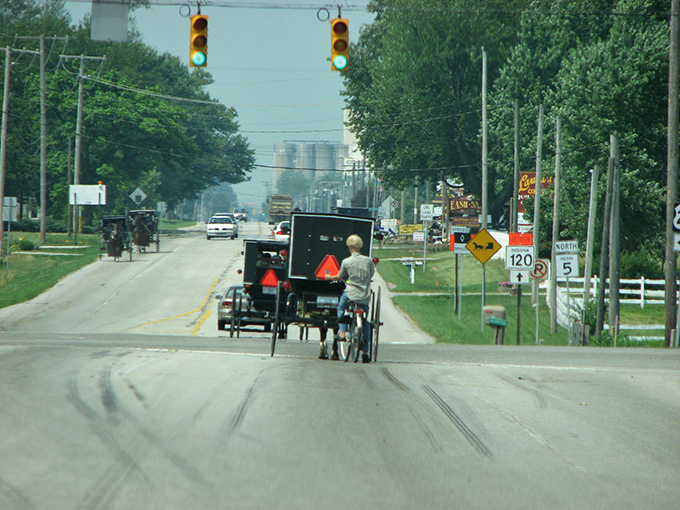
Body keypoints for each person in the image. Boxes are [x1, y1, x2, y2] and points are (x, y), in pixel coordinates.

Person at [324, 234, 375, 363]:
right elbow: (371, 273)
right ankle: (365, 351)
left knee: (341, 307)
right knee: (364, 322)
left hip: (351, 293)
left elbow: (339, 277)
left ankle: (342, 331)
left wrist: (328, 277)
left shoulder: (347, 262)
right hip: (364, 295)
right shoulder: (368, 260)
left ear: (350, 247)